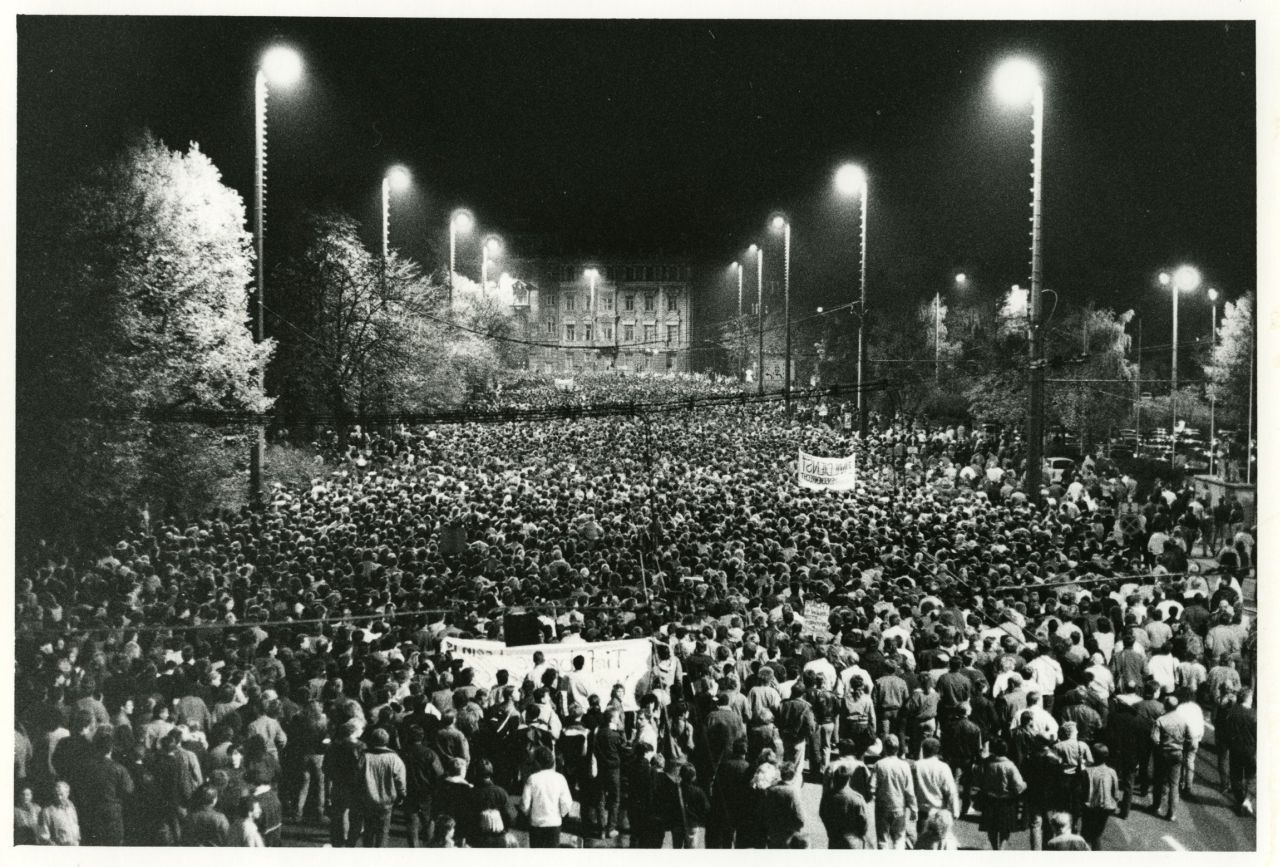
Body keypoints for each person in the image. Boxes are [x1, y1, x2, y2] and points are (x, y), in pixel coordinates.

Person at [359, 727, 405, 847]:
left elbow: (357, 777)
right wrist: (402, 794)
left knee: (368, 830)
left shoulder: (364, 756)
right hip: (386, 801)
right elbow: (400, 780)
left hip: (368, 799)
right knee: (383, 832)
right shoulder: (394, 758)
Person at [976, 738, 1025, 851]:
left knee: (991, 829)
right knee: (1005, 828)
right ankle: (1002, 848)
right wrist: (1024, 785)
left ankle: (994, 848)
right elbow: (1018, 785)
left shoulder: (986, 763)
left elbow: (978, 779)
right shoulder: (1010, 765)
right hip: (1006, 801)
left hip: (989, 800)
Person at [869, 733, 915, 850]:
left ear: (884, 747)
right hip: (899, 807)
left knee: (882, 840)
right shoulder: (904, 766)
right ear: (898, 748)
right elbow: (909, 790)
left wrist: (874, 797)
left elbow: (871, 787)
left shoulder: (879, 765)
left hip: (882, 807)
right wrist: (914, 809)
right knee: (899, 839)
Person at [521, 746, 571, 848]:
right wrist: (561, 814)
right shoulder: (560, 778)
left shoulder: (532, 779)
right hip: (554, 823)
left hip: (536, 824)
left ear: (537, 762)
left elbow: (525, 804)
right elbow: (567, 803)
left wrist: (527, 813)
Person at [1151, 695, 1191, 821]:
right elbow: (1189, 738)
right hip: (1177, 754)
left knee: (1159, 780)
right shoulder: (1184, 720)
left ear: (1166, 706)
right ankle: (1172, 813)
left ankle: (1156, 805)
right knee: (1174, 784)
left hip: (1163, 753)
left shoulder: (1160, 720)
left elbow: (1154, 739)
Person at [818, 763, 872, 849]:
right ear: (849, 779)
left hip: (834, 838)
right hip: (853, 841)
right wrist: (861, 834)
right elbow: (864, 821)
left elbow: (822, 814)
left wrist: (830, 830)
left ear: (834, 778)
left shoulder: (827, 796)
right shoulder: (857, 798)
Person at [1080, 744, 1120, 851]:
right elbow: (1116, 793)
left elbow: (1082, 792)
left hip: (1090, 807)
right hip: (1106, 807)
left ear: (1092, 756)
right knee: (1097, 835)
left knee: (1086, 834)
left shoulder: (1086, 772)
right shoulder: (1112, 772)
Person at [38, 779, 81, 845]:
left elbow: (76, 825)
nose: (59, 797)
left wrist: (77, 839)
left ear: (67, 793)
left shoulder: (71, 807)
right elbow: (44, 836)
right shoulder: (47, 811)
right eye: (56, 794)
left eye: (61, 794)